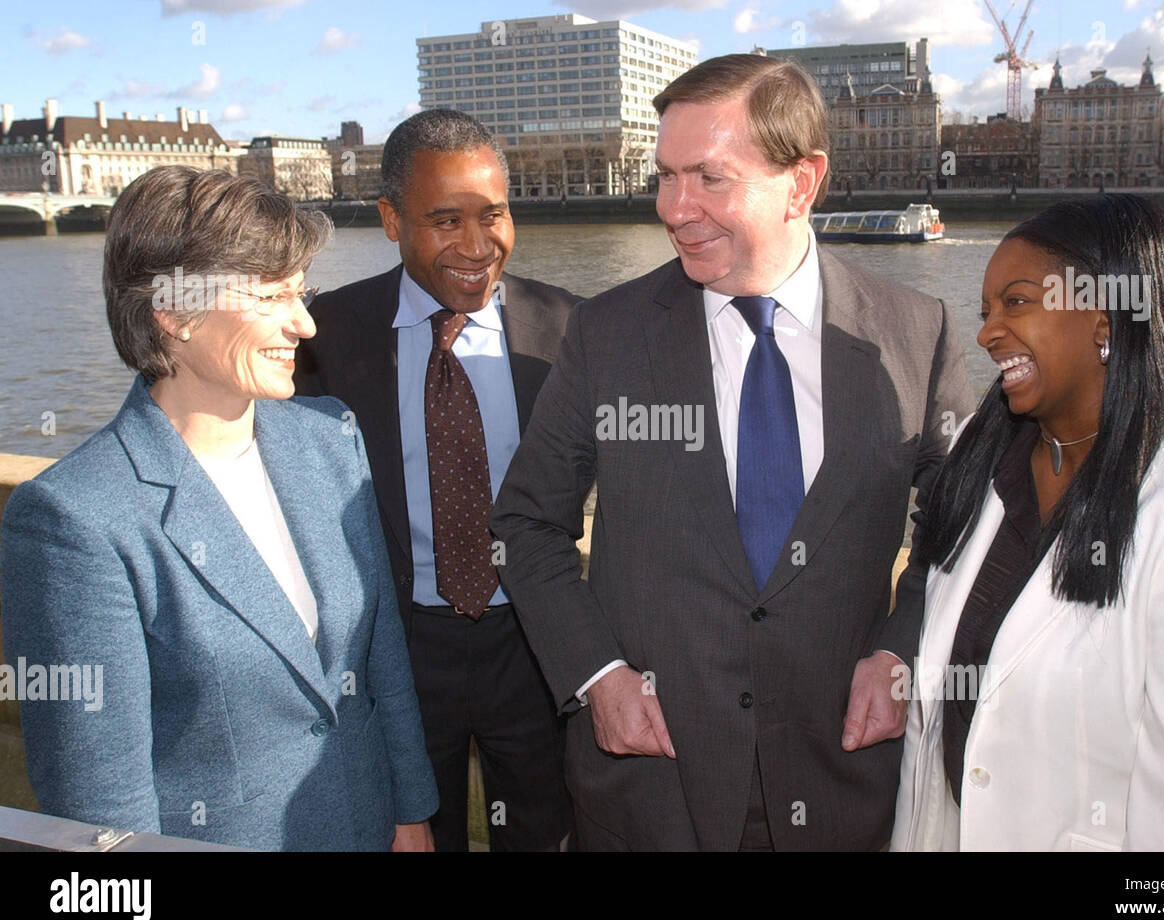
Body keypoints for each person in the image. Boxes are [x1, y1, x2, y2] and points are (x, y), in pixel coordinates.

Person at [490, 54, 974, 851]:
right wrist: (598, 676)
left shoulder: (917, 333)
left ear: (802, 182)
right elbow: (525, 524)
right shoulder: (606, 334)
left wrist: (900, 646)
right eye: (665, 176)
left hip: (840, 781)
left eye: (710, 178)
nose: (674, 209)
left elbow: (959, 529)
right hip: (652, 787)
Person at [0, 166, 438, 851]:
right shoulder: (74, 522)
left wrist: (411, 811)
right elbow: (101, 809)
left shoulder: (330, 438)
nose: (305, 321)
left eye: (302, 290)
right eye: (271, 295)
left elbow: (381, 659)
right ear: (172, 311)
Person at [891, 194, 1164, 851]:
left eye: (1015, 303)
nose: (988, 333)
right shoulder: (979, 458)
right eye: (986, 310)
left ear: (1108, 319)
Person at [295, 109, 579, 852]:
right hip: (397, 655)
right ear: (391, 219)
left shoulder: (573, 331)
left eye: (494, 215)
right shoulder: (324, 333)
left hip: (539, 645)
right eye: (445, 220)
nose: (477, 246)